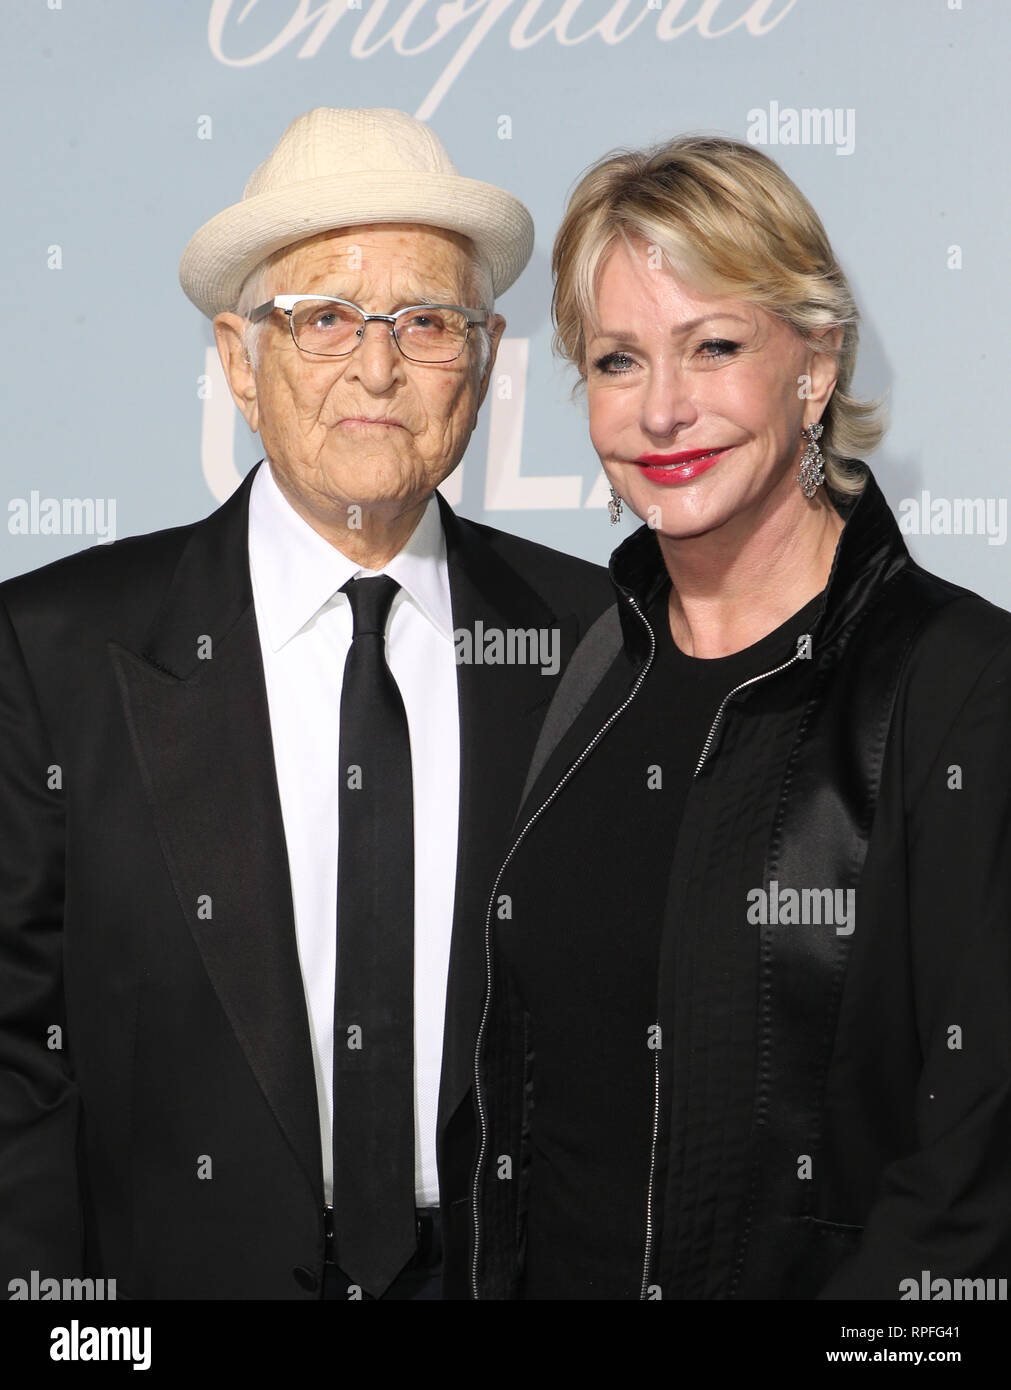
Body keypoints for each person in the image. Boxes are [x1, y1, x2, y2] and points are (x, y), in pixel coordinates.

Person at [0, 106, 612, 1301]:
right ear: (239, 358)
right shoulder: (54, 651)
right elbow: (14, 1053)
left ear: (484, 362)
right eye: (323, 317)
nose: (376, 368)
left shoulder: (597, 641)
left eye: (425, 323)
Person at [471, 135, 1011, 1300]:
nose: (663, 410)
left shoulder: (964, 687)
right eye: (618, 360)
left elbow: (975, 1179)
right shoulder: (585, 672)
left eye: (713, 346)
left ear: (814, 365)